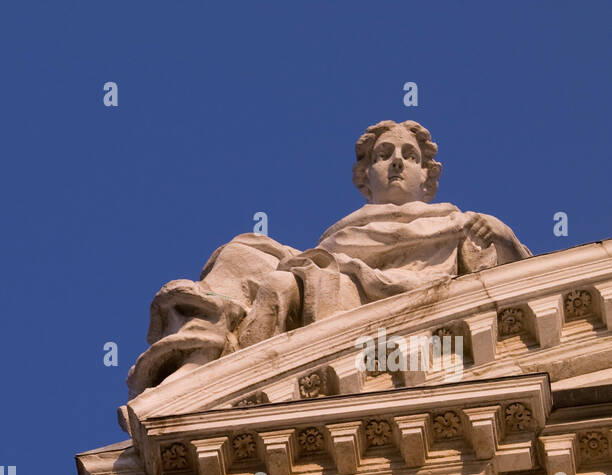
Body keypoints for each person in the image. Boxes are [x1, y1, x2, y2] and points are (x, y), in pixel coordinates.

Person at [128, 121, 531, 396]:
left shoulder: (457, 223)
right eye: (384, 154)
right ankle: (201, 354)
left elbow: (509, 298)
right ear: (365, 175)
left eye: (409, 156)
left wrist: (503, 237)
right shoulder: (343, 233)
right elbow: (316, 261)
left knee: (302, 278)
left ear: (427, 175)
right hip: (339, 281)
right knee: (247, 249)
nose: (396, 162)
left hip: (405, 303)